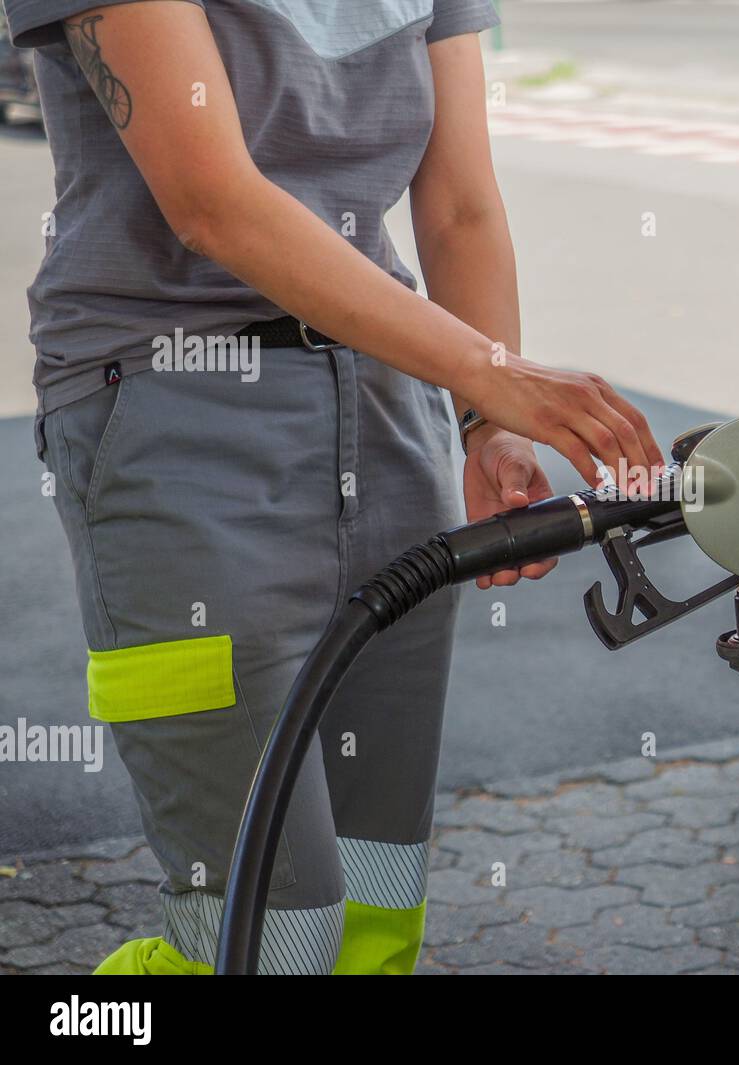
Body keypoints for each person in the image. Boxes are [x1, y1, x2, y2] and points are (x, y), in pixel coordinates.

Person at [5, 0, 663, 975]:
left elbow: (459, 204)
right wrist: (490, 374)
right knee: (265, 938)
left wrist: (483, 423)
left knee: (376, 897)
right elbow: (210, 200)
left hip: (389, 410)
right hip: (172, 416)